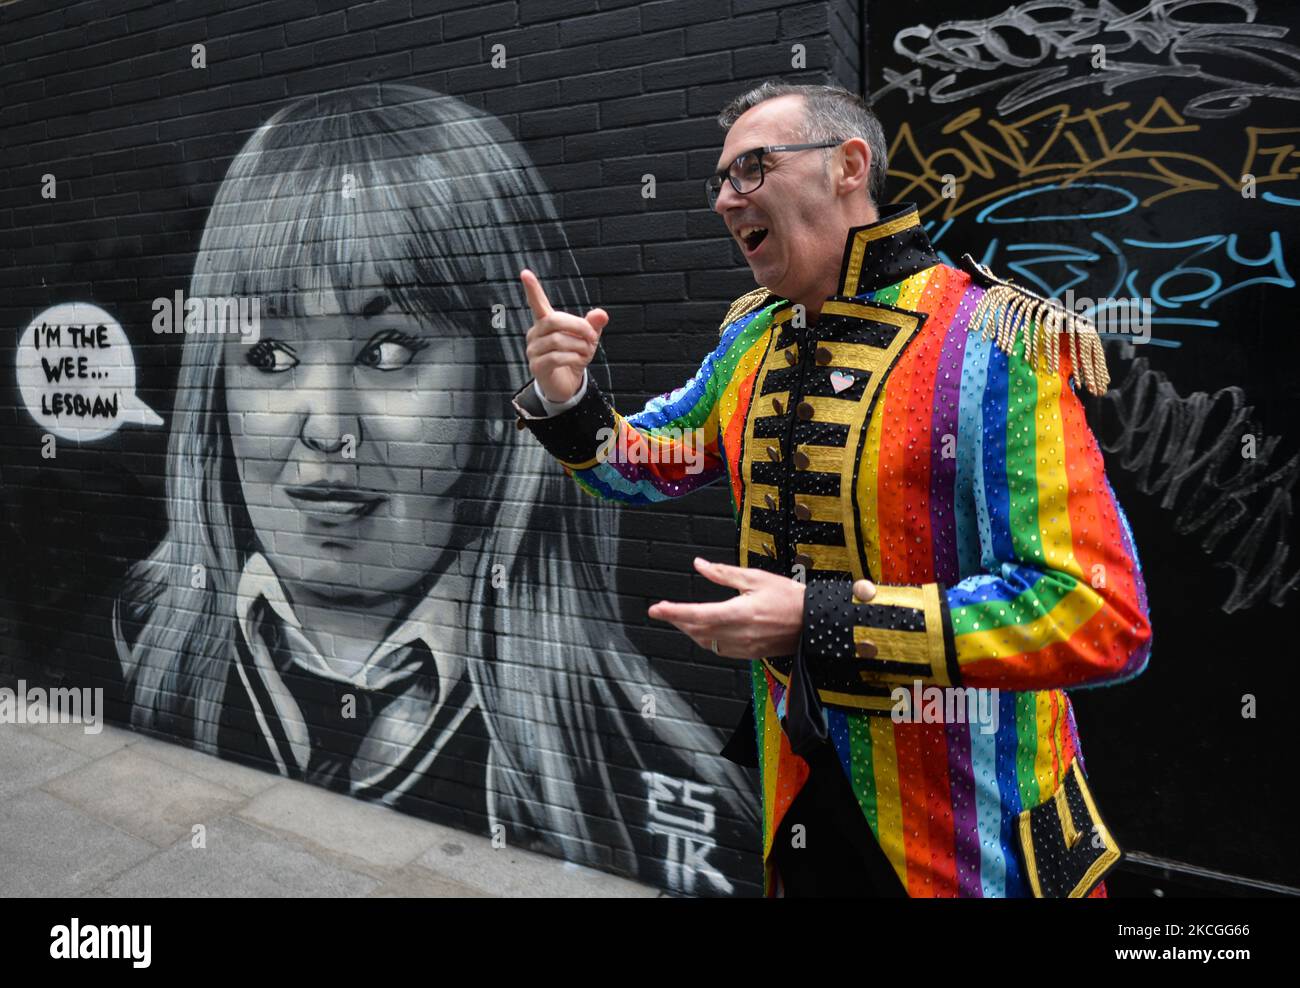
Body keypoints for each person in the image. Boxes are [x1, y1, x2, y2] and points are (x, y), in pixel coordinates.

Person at [111, 84, 757, 894]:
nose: (325, 427)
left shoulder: (658, 789)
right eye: (270, 356)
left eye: (387, 351)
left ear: (501, 393)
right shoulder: (139, 633)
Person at [512, 81, 1153, 897]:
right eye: (718, 181)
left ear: (849, 165)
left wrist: (819, 618)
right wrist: (568, 397)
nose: (723, 200)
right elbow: (640, 464)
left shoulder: (992, 342)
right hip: (802, 795)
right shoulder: (753, 338)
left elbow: (1099, 613)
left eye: (750, 169)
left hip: (972, 837)